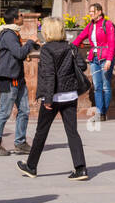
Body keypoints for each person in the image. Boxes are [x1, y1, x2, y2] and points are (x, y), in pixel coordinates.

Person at [17, 16, 87, 181]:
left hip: (53, 97)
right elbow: (82, 66)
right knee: (72, 132)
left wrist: (47, 99)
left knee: (41, 131)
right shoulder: (70, 47)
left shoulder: (47, 49)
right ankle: (81, 168)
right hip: (70, 95)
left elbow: (49, 75)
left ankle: (31, 166)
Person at [0, 9, 32, 155]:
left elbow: (17, 53)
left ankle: (20, 142)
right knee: (4, 112)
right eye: (20, 15)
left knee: (24, 110)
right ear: (14, 19)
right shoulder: (8, 35)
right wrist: (30, 43)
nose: (22, 17)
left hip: (17, 77)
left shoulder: (12, 33)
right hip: (9, 77)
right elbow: (19, 53)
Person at [73, 3, 115, 122]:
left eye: (92, 12)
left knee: (105, 86)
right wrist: (69, 48)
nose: (90, 14)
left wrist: (109, 59)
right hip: (94, 58)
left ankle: (103, 111)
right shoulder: (90, 26)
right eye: (90, 12)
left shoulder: (107, 24)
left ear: (99, 12)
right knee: (97, 86)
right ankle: (99, 112)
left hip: (105, 57)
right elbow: (80, 38)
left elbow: (112, 43)